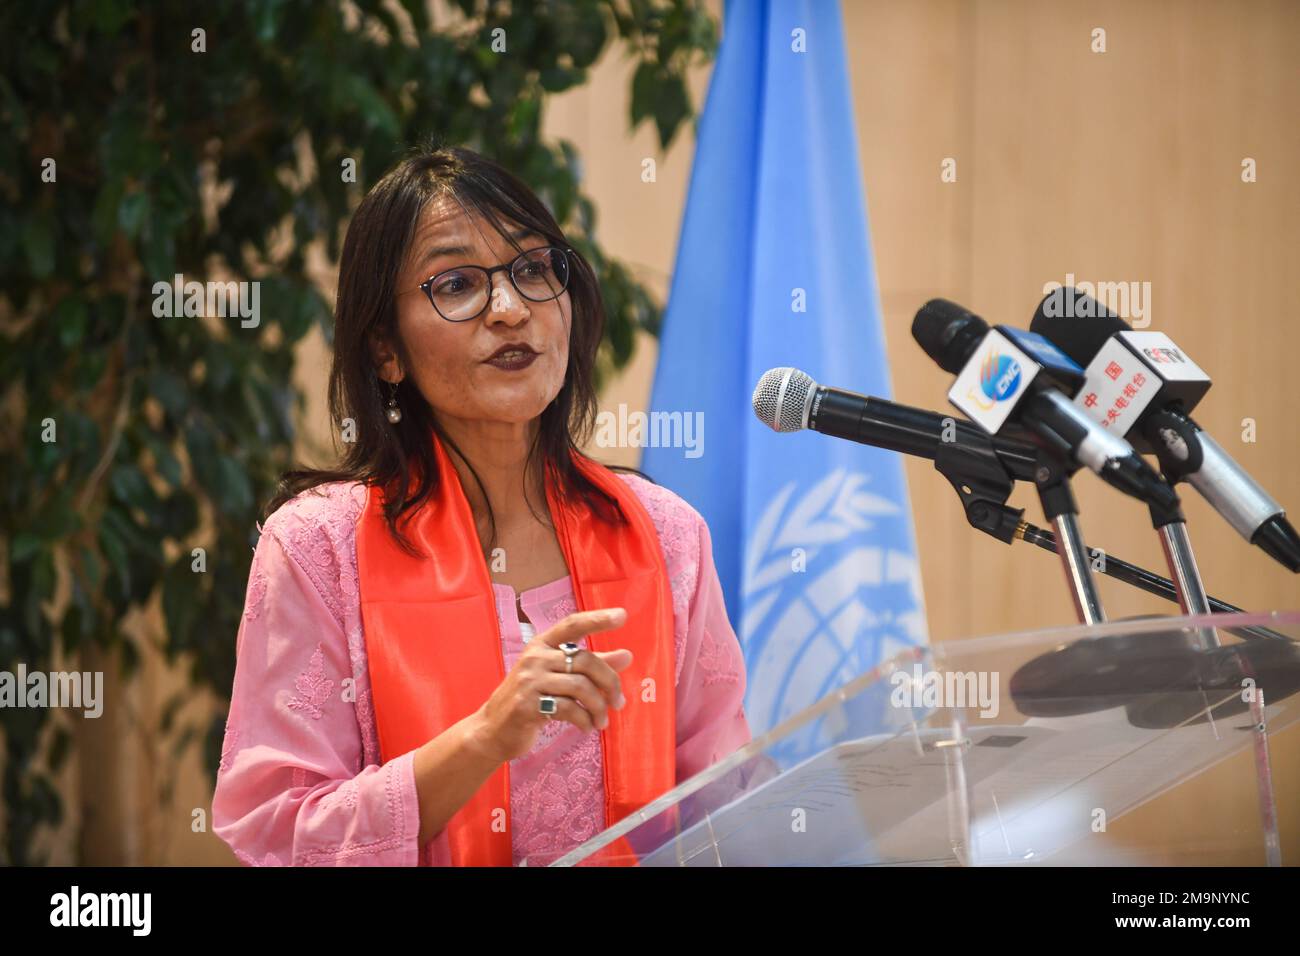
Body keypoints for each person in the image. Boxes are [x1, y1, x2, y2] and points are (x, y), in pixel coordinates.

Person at [211, 143, 752, 866]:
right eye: (458, 283)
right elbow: (278, 833)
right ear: (385, 351)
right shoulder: (318, 546)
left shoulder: (664, 534)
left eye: (533, 270)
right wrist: (483, 738)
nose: (510, 310)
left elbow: (727, 803)